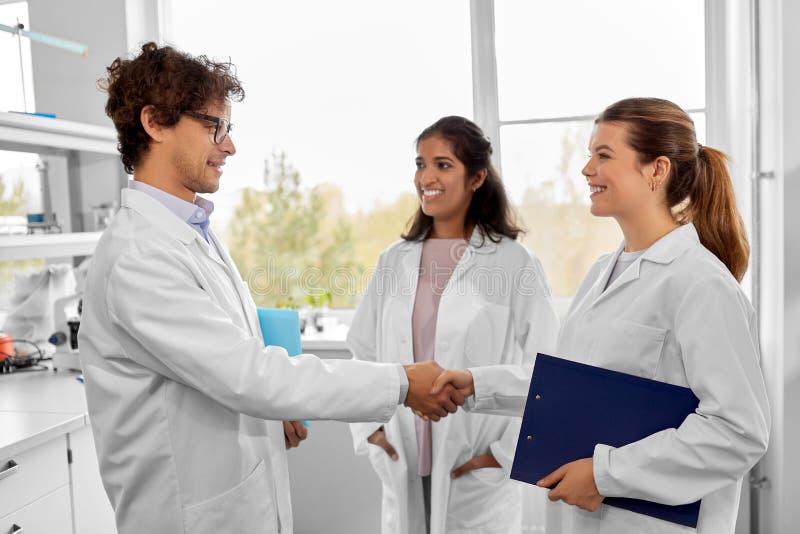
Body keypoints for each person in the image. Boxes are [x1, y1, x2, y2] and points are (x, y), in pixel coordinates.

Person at [79, 43, 465, 534]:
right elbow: (248, 374)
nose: (229, 145)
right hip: (185, 516)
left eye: (228, 128)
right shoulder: (138, 257)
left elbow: (228, 355)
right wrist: (401, 382)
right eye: (213, 126)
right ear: (155, 122)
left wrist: (273, 411)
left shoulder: (190, 230)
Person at [432, 98, 771, 533]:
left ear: (657, 170)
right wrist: (479, 383)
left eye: (603, 155)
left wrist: (604, 473)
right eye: (589, 155)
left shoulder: (701, 284)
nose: (587, 169)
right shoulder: (601, 273)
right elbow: (574, 386)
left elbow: (738, 432)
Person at [347, 116, 560, 534]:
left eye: (443, 165)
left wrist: (503, 453)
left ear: (477, 176)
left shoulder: (514, 263)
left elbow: (549, 370)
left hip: (473, 464)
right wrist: (370, 431)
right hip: (402, 455)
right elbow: (363, 349)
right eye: (421, 163)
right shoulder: (395, 259)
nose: (427, 176)